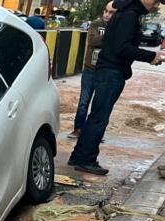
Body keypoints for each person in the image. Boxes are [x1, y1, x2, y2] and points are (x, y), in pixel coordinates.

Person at [68, 0, 165, 175]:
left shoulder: (128, 13)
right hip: (111, 72)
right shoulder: (130, 15)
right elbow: (122, 48)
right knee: (99, 118)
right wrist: (151, 56)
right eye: (156, 0)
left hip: (109, 71)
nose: (157, 5)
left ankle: (79, 156)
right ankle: (86, 159)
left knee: (96, 116)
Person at [68, 1, 116, 139]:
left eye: (111, 12)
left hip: (105, 71)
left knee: (100, 104)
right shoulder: (96, 24)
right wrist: (110, 35)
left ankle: (94, 133)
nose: (107, 15)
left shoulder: (118, 27)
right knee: (84, 101)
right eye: (106, 11)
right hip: (90, 70)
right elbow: (93, 41)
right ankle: (78, 129)